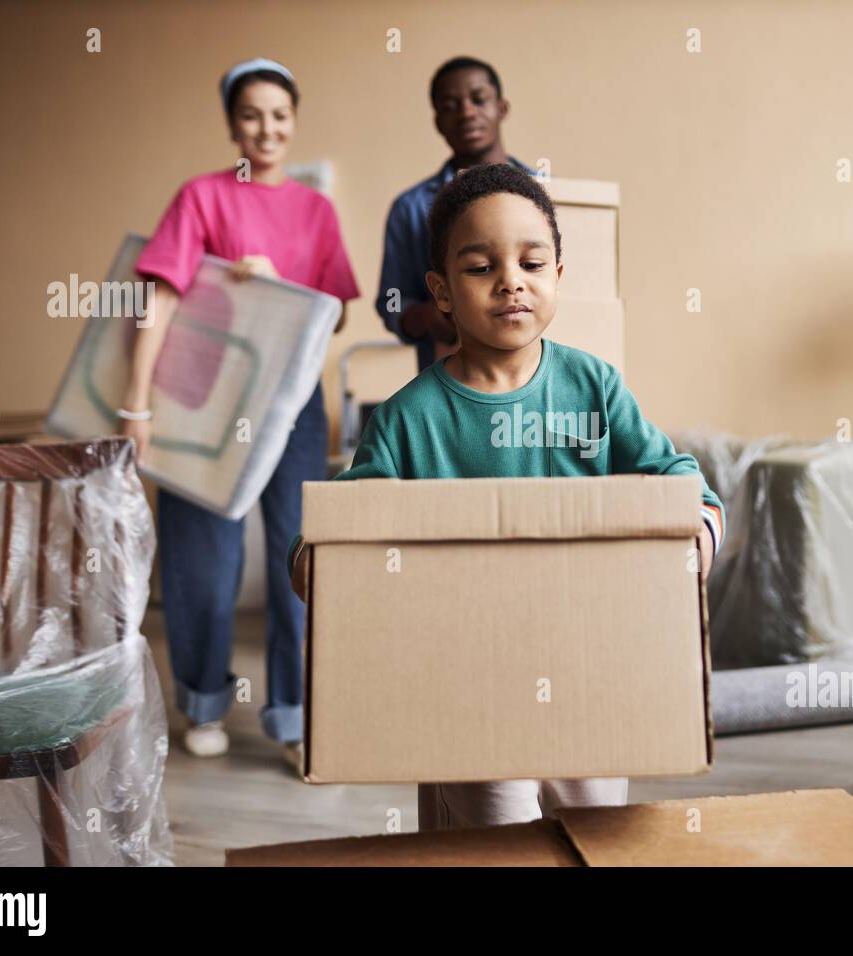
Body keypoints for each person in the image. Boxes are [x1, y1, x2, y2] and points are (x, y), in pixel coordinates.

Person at [291, 164, 724, 828]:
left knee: (595, 827)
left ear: (557, 274)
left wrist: (695, 530)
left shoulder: (594, 388)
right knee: (495, 832)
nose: (510, 281)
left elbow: (681, 484)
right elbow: (342, 531)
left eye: (531, 261)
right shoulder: (409, 418)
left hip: (590, 667)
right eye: (479, 267)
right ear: (439, 291)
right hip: (466, 678)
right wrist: (319, 567)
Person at [121, 57, 360, 767]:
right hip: (207, 405)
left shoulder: (316, 211)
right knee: (203, 557)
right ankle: (200, 699)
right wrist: (136, 404)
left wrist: (275, 287)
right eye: (252, 114)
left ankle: (292, 718)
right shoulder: (199, 197)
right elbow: (158, 297)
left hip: (293, 404)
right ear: (232, 123)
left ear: (294, 121)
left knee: (300, 553)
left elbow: (336, 313)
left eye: (280, 114)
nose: (267, 128)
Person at [375, 56, 538, 372]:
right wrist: (427, 316)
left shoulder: (549, 195)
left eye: (479, 99)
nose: (466, 113)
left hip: (539, 380)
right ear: (437, 121)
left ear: (501, 107)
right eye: (450, 106)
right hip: (452, 383)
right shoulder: (411, 208)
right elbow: (391, 300)